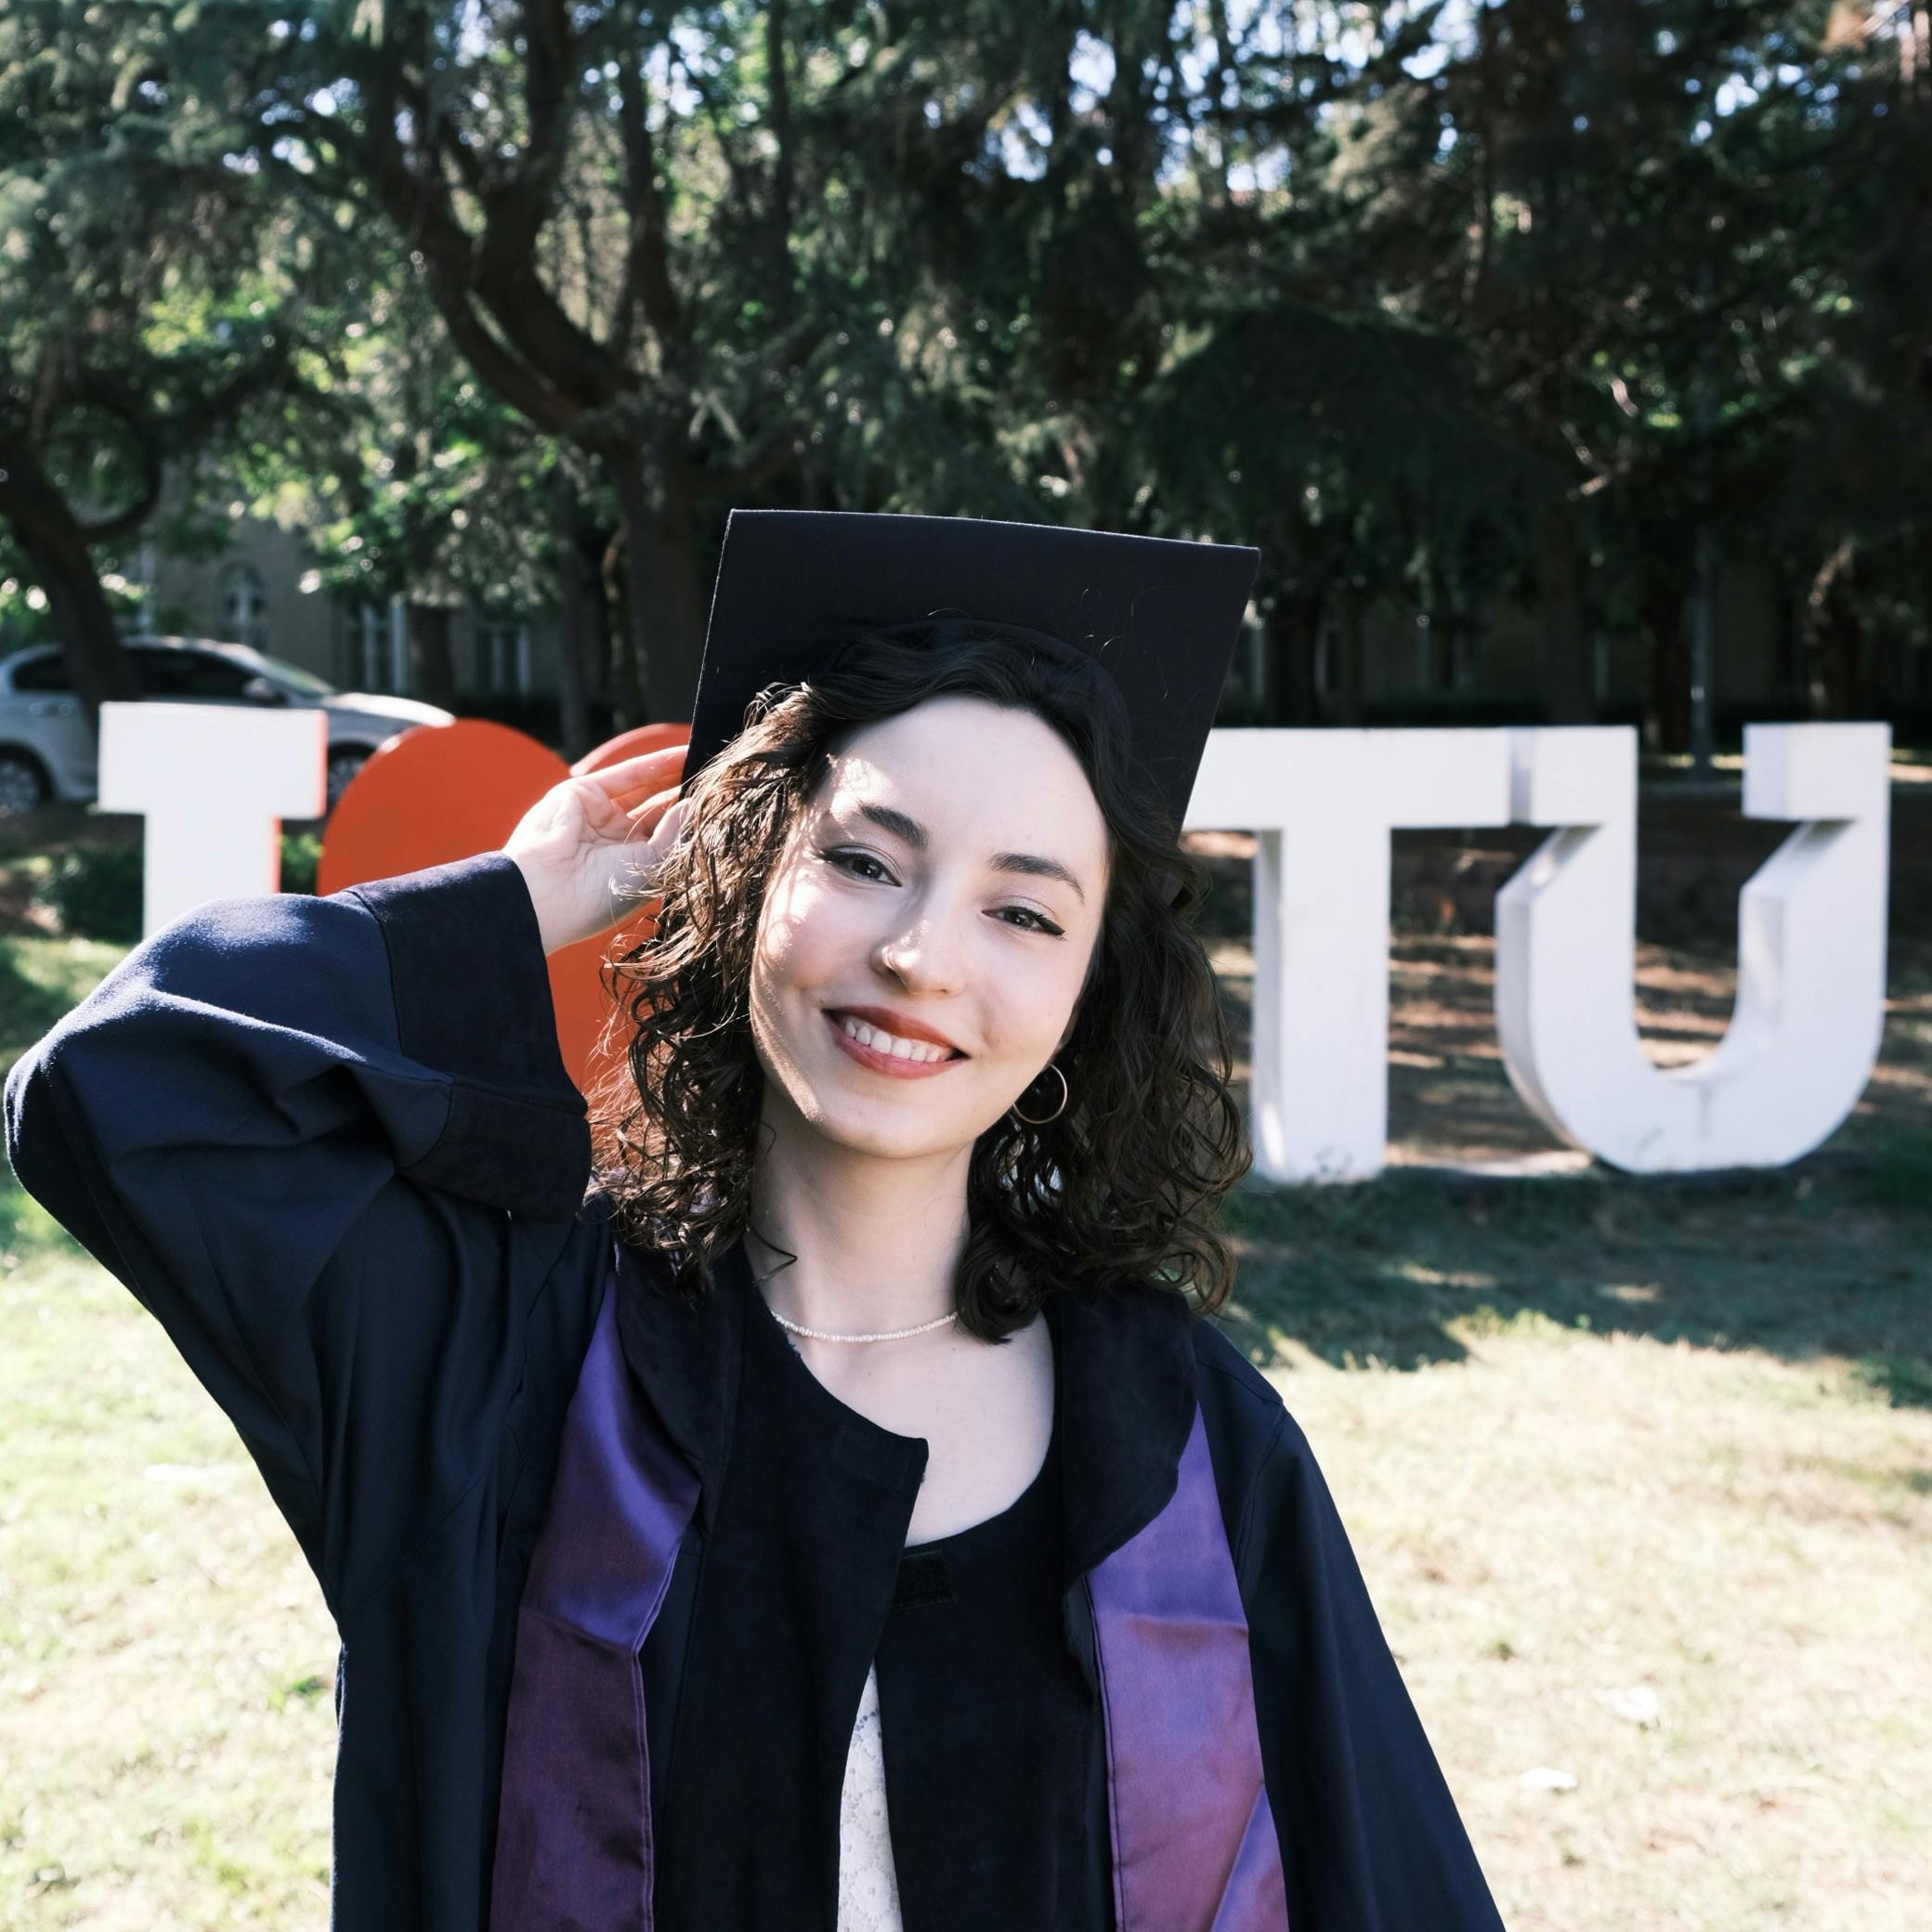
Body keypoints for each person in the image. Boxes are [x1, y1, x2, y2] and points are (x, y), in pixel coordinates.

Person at [5, 511, 1507, 1932]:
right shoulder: (506, 1365)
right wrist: (521, 897)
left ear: (1087, 990)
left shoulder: (1187, 1446)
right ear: (744, 879)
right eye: (863, 861)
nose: (920, 955)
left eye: (1024, 912)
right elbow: (119, 1092)